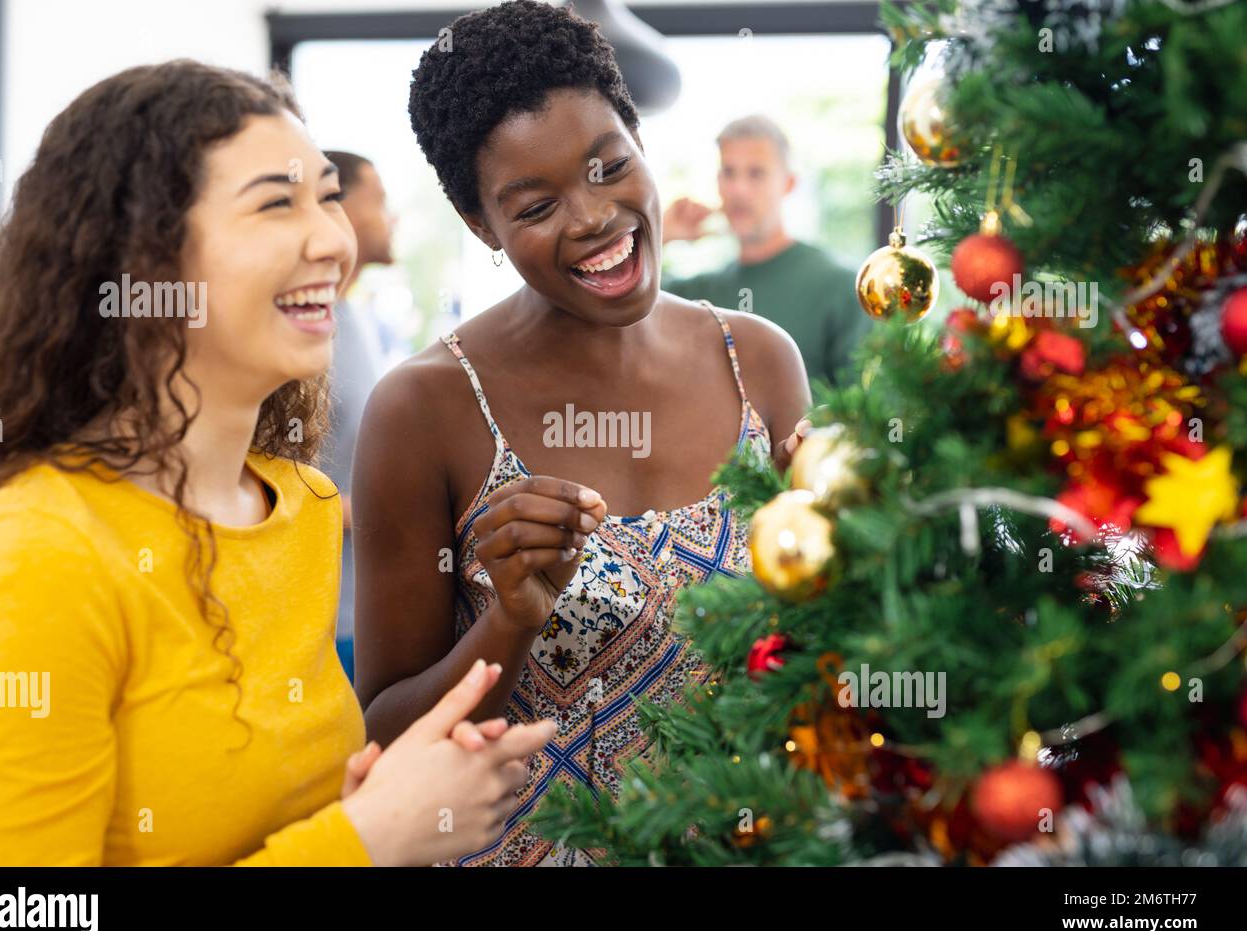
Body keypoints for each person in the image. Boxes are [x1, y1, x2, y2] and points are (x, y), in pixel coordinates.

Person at [0, 59, 554, 866]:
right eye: (276, 203)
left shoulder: (297, 506)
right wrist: (365, 839)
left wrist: (385, 800)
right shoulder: (40, 554)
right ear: (141, 262)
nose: (331, 241)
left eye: (329, 196)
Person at [353, 0, 812, 867]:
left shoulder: (758, 362)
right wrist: (509, 623)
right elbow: (384, 736)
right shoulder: (427, 407)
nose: (593, 216)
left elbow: (818, 652)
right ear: (481, 226)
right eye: (535, 207)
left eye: (609, 166)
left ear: (639, 141)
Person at [661, 114, 869, 384]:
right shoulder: (699, 294)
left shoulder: (843, 286)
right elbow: (621, 307)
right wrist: (661, 235)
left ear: (789, 183)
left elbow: (867, 413)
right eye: (729, 172)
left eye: (756, 173)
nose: (739, 190)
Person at [319, 150, 399, 681]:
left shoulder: (356, 318)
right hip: (323, 624)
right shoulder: (303, 333)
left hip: (364, 617)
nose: (391, 218)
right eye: (381, 201)